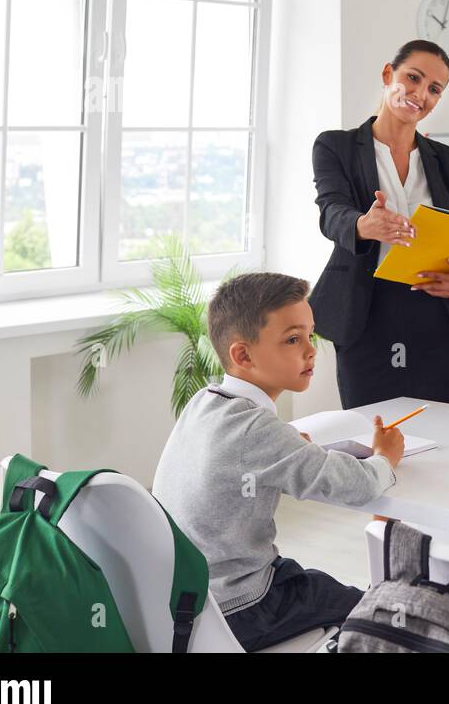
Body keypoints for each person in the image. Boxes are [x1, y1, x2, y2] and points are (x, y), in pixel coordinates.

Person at [152, 273, 405, 651]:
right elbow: (357, 486)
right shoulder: (257, 429)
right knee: (375, 613)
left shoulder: (206, 401)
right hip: (242, 607)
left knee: (321, 584)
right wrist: (386, 456)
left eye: (310, 335)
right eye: (292, 339)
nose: (310, 350)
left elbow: (245, 455)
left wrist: (287, 445)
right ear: (243, 355)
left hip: (189, 599)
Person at [310, 39, 449, 409]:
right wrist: (364, 225)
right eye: (412, 78)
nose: (420, 94)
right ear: (387, 74)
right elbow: (331, 212)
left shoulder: (447, 161)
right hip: (368, 317)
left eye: (434, 89)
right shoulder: (336, 147)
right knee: (374, 440)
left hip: (440, 321)